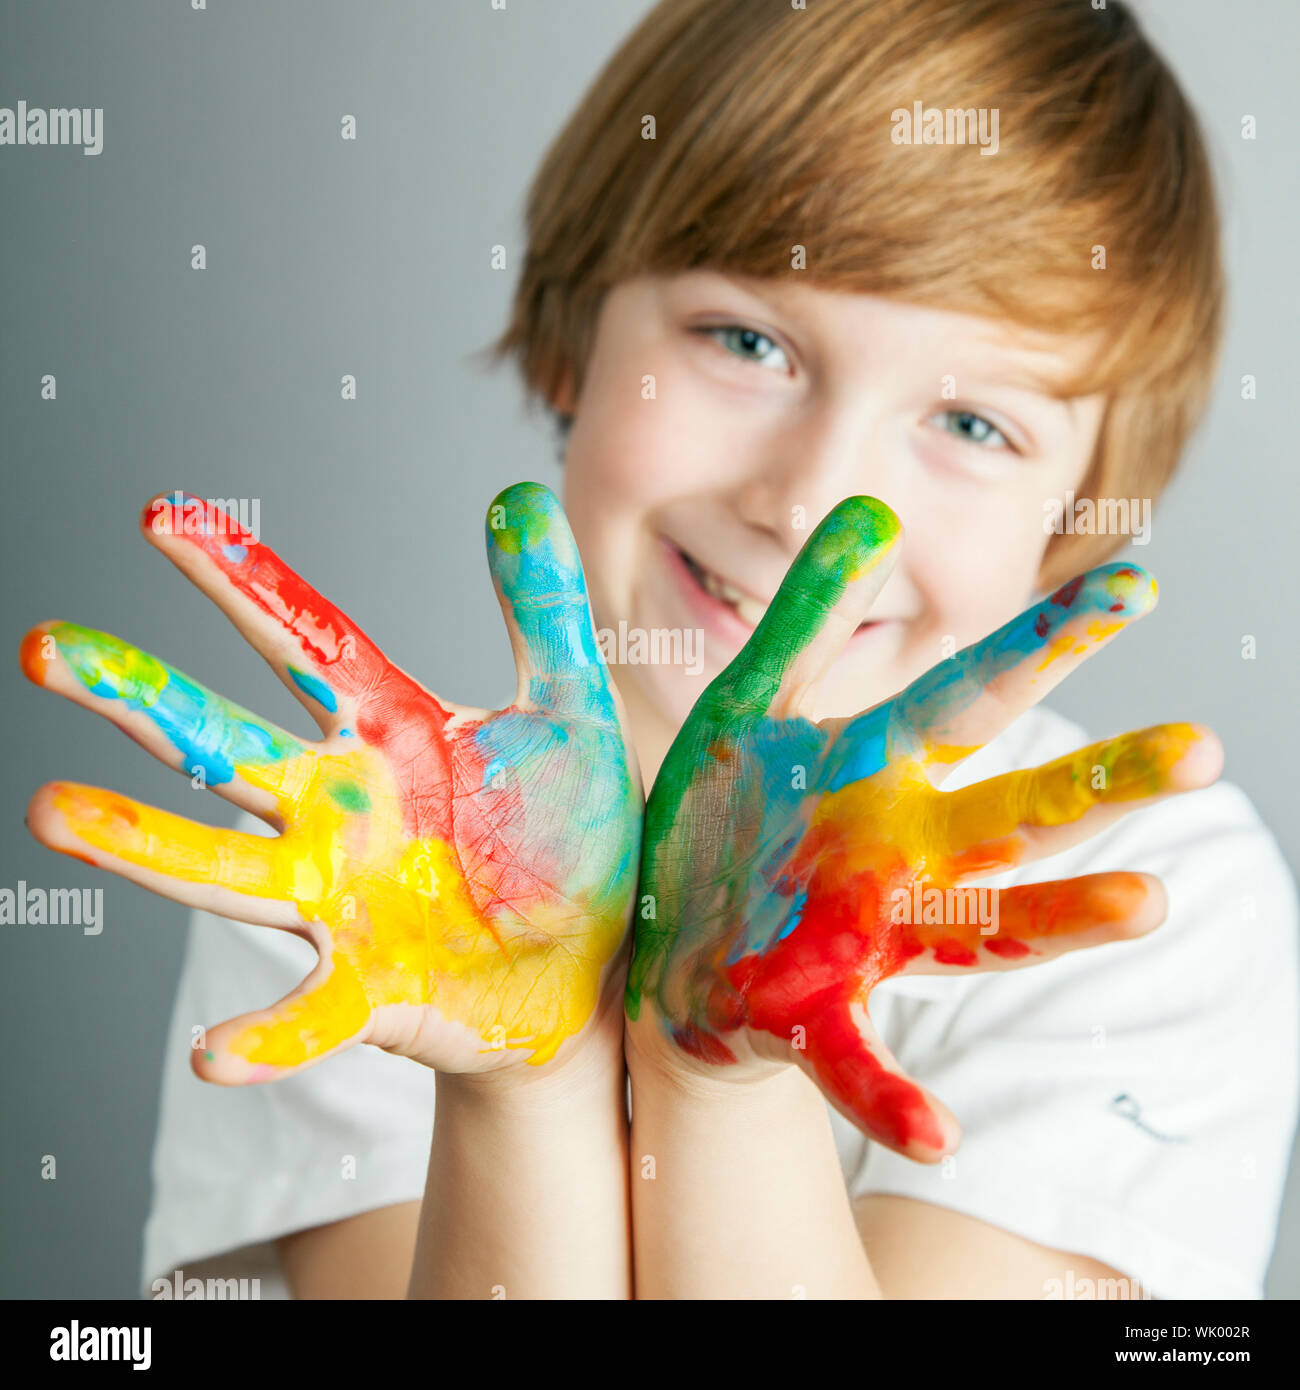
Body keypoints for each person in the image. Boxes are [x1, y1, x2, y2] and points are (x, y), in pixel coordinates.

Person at [28, 0, 1299, 1298]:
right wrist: (531, 1074)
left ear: (1074, 534)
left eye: (974, 424)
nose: (811, 505)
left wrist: (714, 1066)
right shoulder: (366, 863)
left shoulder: (1145, 903)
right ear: (578, 338)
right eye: (746, 341)